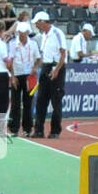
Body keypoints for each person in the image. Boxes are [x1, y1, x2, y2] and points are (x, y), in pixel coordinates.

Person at [32, 11, 67, 139]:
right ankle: (39, 130)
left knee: (56, 100)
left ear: (42, 22)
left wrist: (57, 70)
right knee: (41, 100)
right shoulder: (44, 35)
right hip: (46, 66)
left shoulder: (57, 33)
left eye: (37, 23)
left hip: (56, 66)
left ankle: (55, 130)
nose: (36, 25)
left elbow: (63, 53)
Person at [7, 21, 41, 137]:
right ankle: (14, 129)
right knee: (15, 103)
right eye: (19, 32)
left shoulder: (33, 44)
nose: (21, 35)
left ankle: (27, 129)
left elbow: (39, 59)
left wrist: (35, 69)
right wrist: (12, 76)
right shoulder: (13, 44)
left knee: (28, 103)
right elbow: (9, 62)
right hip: (17, 75)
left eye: (23, 32)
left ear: (28, 32)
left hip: (29, 76)